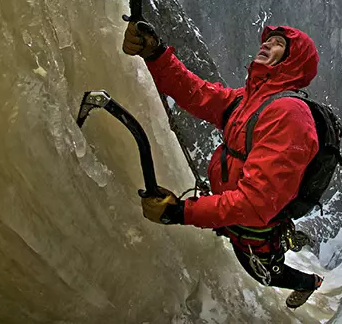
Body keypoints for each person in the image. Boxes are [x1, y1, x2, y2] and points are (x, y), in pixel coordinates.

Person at [122, 22, 324, 309]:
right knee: (258, 268)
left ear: (293, 60)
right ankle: (306, 280)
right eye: (267, 40)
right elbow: (195, 93)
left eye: (279, 43)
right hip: (231, 215)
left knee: (265, 273)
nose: (266, 44)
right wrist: (156, 54)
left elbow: (255, 204)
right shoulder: (247, 100)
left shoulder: (289, 115)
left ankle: (311, 283)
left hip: (253, 228)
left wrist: (180, 212)